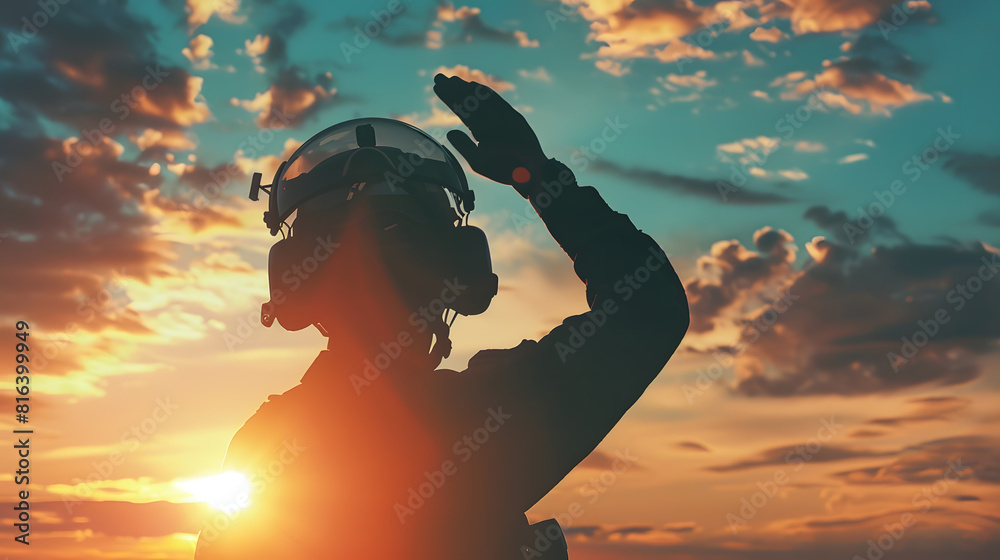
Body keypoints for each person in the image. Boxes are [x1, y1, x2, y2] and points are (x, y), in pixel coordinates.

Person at [193, 73, 689, 559]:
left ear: (295, 285)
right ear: (458, 267)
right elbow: (647, 311)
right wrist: (537, 178)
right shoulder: (486, 418)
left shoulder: (262, 445)